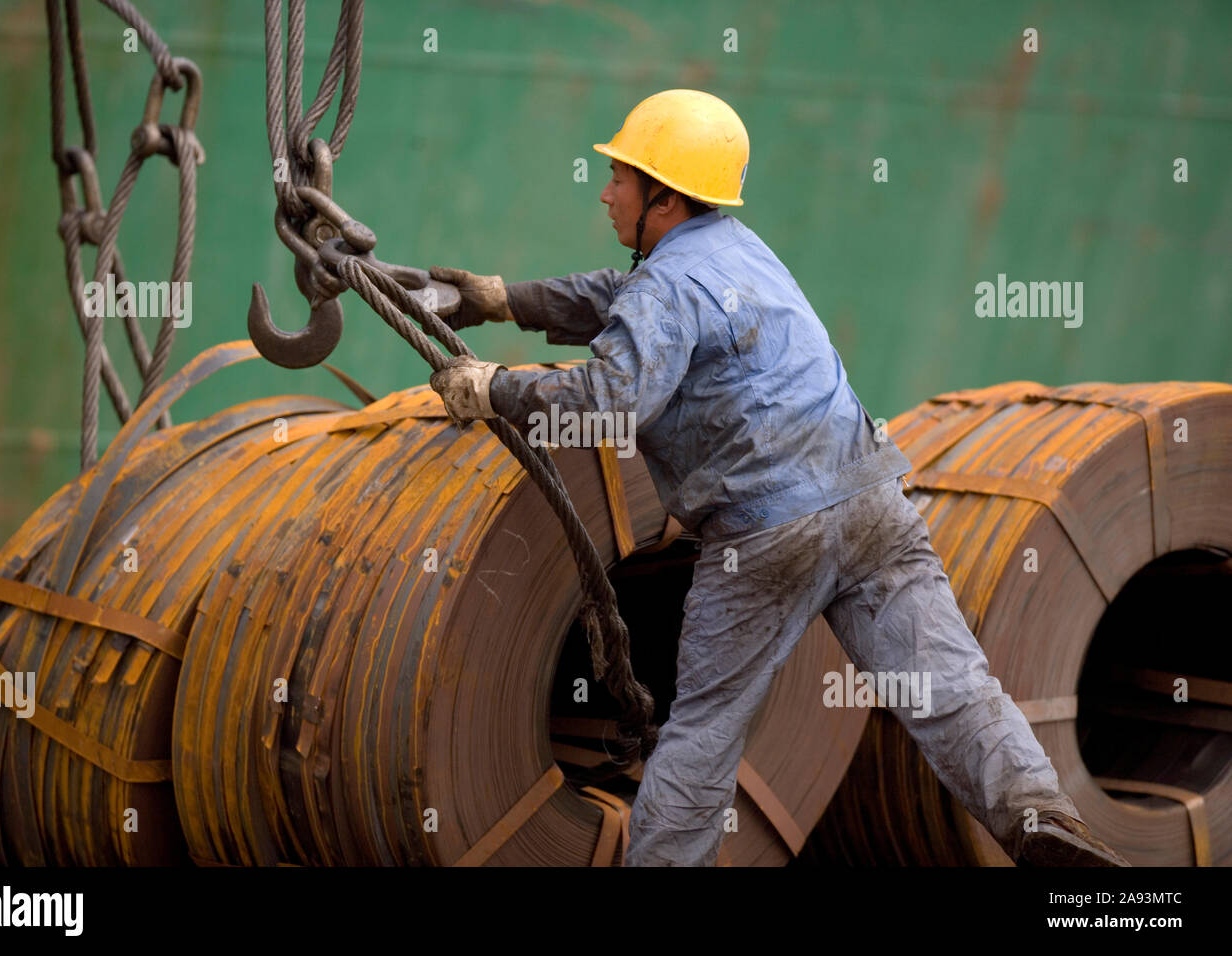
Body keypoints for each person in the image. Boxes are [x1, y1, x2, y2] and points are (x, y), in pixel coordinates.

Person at [427, 89, 1130, 868]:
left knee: (704, 729)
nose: (605, 191)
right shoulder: (735, 246)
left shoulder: (666, 285)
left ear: (663, 198)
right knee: (953, 691)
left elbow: (613, 398)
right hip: (871, 501)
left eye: (619, 177)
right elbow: (619, 297)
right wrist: (503, 300)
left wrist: (492, 388)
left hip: (767, 531)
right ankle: (1046, 830)